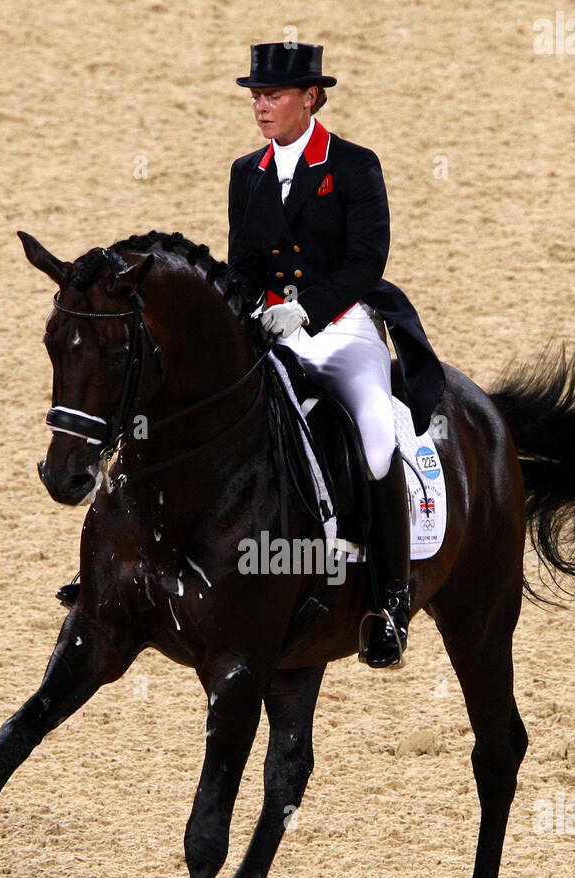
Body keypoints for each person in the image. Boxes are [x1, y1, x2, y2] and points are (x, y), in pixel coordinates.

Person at [227, 41, 446, 668]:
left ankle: (391, 600)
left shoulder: (352, 165)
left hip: (344, 327)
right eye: (255, 97)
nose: (260, 107)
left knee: (377, 433)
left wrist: (309, 309)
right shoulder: (248, 172)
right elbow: (243, 264)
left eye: (272, 96)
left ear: (310, 97)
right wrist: (245, 313)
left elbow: (365, 262)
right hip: (275, 329)